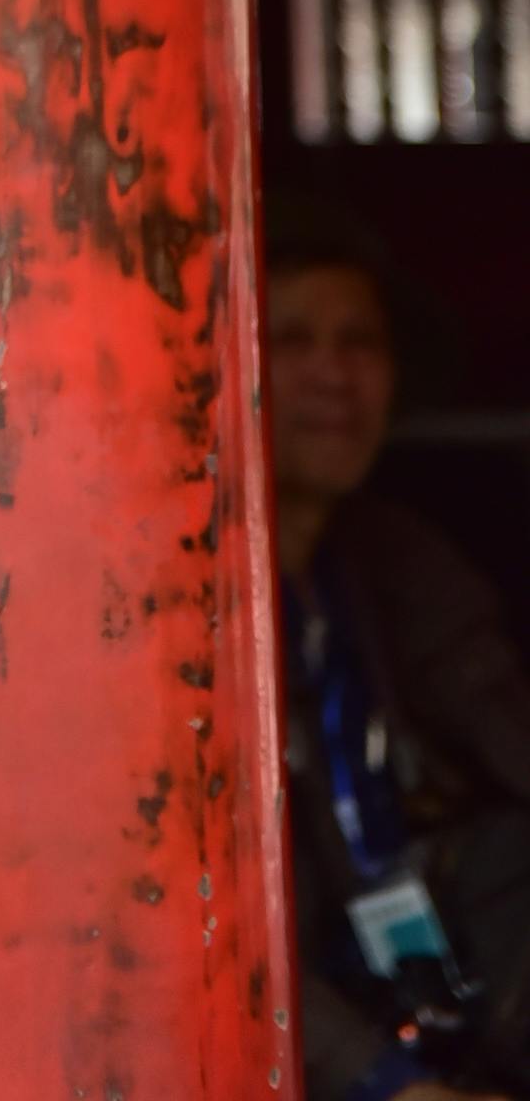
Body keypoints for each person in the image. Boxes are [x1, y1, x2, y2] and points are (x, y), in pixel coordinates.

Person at [267, 210, 530, 1101]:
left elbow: (504, 730)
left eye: (360, 343)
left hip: (429, 993)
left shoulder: (394, 559)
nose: (334, 376)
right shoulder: (187, 596)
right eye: (294, 339)